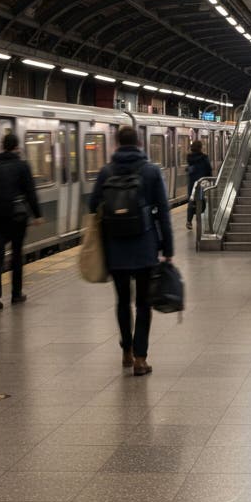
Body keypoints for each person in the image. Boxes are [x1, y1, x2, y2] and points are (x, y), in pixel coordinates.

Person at [90, 126, 174, 376]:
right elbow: (164, 211)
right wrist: (168, 247)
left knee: (122, 301)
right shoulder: (150, 171)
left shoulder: (106, 171)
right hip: (145, 247)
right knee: (144, 304)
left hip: (115, 248)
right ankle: (140, 357)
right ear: (139, 143)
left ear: (115, 144)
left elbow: (93, 204)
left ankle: (125, 350)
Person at [0, 133, 42, 311]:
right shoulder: (22, 166)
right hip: (16, 218)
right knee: (17, 255)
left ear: (3, 146)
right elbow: (30, 192)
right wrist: (37, 214)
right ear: (17, 147)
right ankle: (16, 294)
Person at [186, 140, 213, 230]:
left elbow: (189, 168)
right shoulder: (204, 157)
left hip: (192, 182)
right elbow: (208, 169)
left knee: (191, 200)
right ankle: (198, 219)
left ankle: (189, 221)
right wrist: (210, 179)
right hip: (202, 182)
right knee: (201, 200)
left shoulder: (189, 157)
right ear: (200, 148)